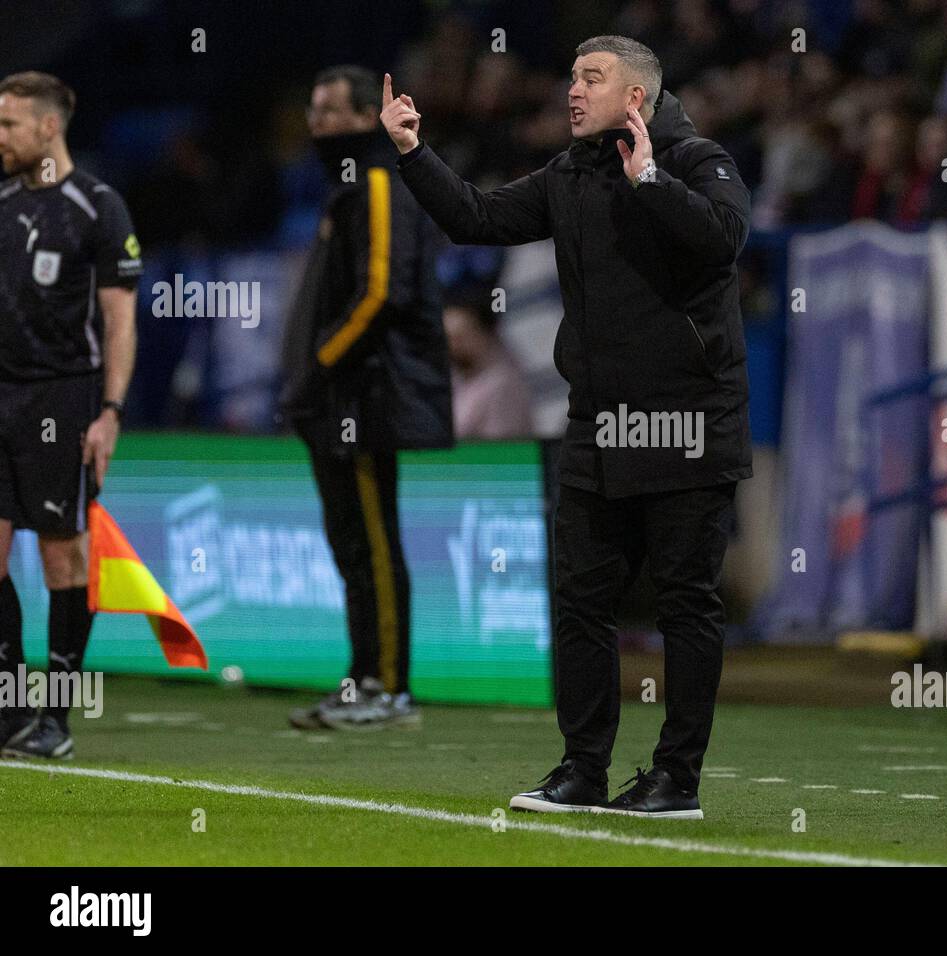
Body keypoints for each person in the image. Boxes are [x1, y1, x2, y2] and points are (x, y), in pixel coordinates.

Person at [383, 34, 751, 819]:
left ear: (637, 98)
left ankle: (676, 779)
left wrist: (649, 179)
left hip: (687, 420)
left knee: (686, 602)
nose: (573, 91)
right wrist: (416, 153)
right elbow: (477, 219)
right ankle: (583, 769)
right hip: (599, 424)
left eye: (591, 77)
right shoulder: (569, 173)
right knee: (579, 600)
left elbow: (724, 239)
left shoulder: (695, 160)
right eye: (572, 75)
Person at [280, 65, 453, 730]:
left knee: (373, 542)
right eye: (314, 111)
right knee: (352, 540)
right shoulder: (345, 188)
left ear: (362, 117)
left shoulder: (378, 181)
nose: (318, 124)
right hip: (337, 397)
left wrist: (317, 366)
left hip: (366, 395)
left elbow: (381, 293)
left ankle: (388, 686)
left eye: (332, 112)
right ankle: (362, 681)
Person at [0, 71, 141, 758]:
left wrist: (110, 410)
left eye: (8, 125)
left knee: (62, 557)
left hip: (63, 397)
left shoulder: (99, 206)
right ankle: (8, 705)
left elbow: (120, 323)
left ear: (48, 127)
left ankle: (56, 719)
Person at [443, 282, 534, 440]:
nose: (453, 346)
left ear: (484, 334)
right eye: (448, 338)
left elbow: (497, 453)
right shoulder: (455, 381)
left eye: (460, 337)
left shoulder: (502, 383)